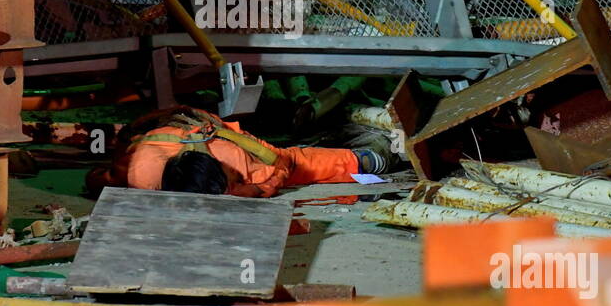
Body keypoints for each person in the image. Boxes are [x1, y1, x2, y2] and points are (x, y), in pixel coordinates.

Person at [90, 106, 395, 198]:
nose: (236, 182)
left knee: (294, 163)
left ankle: (363, 158)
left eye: (231, 180)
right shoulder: (140, 177)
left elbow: (281, 166)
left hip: (201, 127)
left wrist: (257, 188)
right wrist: (251, 192)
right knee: (109, 180)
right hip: (143, 144)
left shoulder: (231, 156)